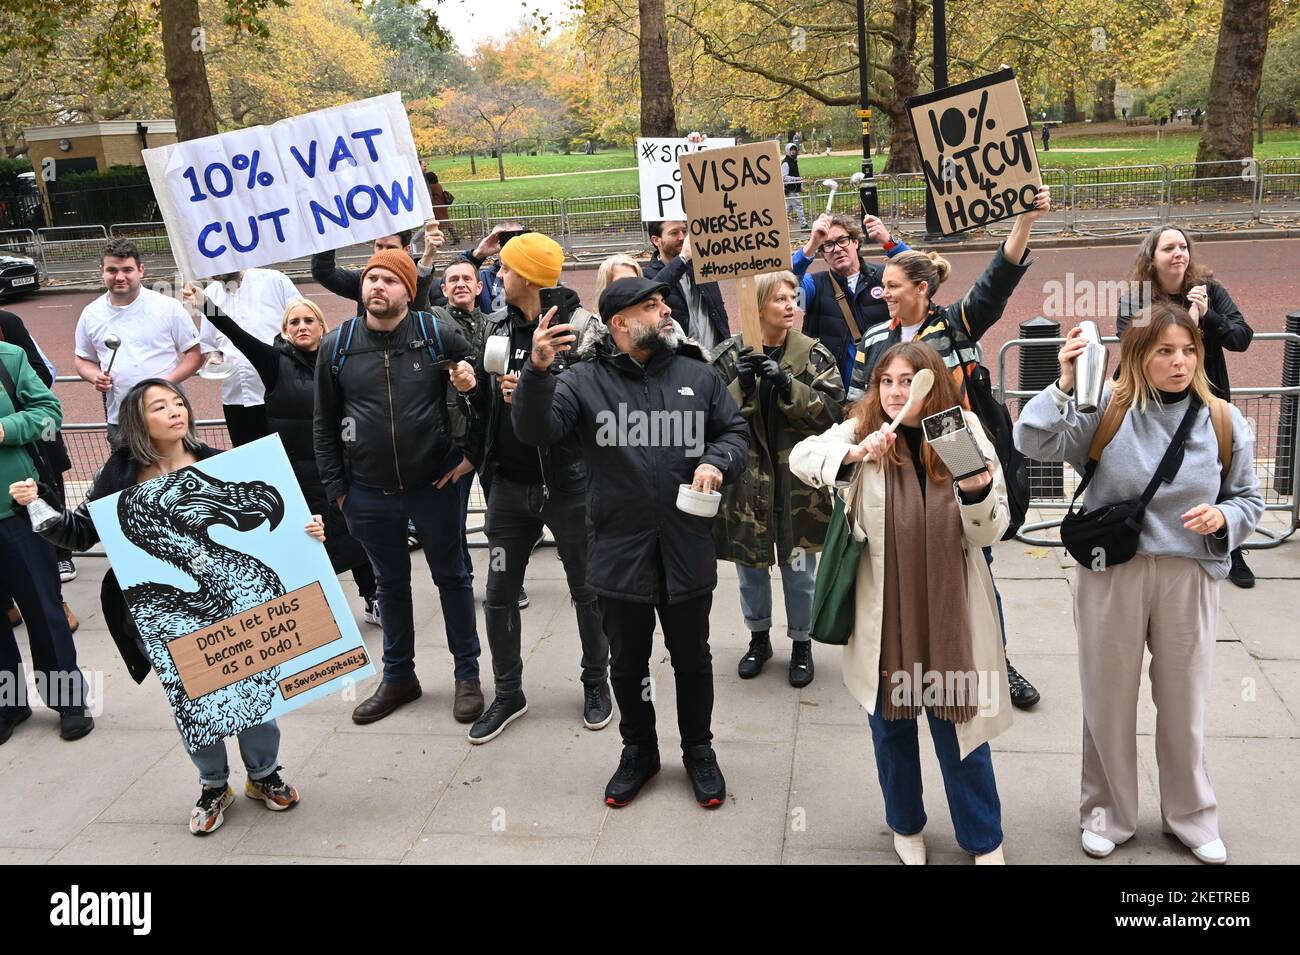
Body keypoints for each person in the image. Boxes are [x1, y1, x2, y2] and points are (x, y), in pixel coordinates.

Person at [1014, 304, 1263, 865]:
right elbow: (1030, 440)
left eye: (1188, 351)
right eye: (1164, 351)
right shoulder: (1106, 407)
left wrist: (1225, 520)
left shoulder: (1222, 418)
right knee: (1107, 699)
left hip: (1188, 575)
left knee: (1183, 704)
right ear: (1137, 357)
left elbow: (1250, 498)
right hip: (1112, 571)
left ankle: (1192, 817)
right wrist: (1061, 382)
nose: (1179, 363)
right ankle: (1106, 813)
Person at [12, 379, 312, 833]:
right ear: (138, 421)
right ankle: (213, 784)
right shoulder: (121, 473)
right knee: (195, 698)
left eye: (179, 403)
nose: (176, 411)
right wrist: (37, 507)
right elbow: (79, 533)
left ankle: (264, 773)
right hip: (162, 617)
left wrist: (308, 531)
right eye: (160, 407)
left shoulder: (213, 462)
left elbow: (274, 526)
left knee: (254, 685)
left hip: (234, 611)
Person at [512, 276, 749, 809]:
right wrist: (536, 372)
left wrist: (717, 460)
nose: (665, 311)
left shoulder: (697, 372)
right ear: (620, 323)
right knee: (628, 663)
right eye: (651, 305)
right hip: (618, 550)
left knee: (693, 659)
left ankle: (699, 751)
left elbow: (735, 434)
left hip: (686, 545)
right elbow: (535, 432)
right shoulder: (582, 380)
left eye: (663, 302)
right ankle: (638, 750)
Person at [790, 342, 1014, 865]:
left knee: (959, 726)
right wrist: (855, 452)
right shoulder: (863, 427)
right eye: (886, 381)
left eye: (907, 380)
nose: (895, 392)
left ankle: (984, 837)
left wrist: (977, 489)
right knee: (891, 728)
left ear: (931, 384)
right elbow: (803, 458)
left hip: (949, 606)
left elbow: (991, 531)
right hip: (884, 609)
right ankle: (905, 824)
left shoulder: (960, 433)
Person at [858, 186, 1052, 710]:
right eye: (883, 287)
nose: (885, 293)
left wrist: (1025, 221)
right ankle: (911, 661)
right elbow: (857, 406)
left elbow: (999, 278)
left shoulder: (958, 322)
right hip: (897, 468)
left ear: (920, 289)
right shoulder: (874, 340)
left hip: (956, 460)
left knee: (979, 569)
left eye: (893, 286)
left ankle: (998, 662)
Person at [313, 248, 484, 726]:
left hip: (434, 484)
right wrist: (340, 493)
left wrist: (472, 454)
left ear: (409, 291)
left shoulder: (436, 333)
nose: (377, 287)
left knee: (452, 578)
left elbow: (486, 396)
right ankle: (398, 677)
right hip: (367, 491)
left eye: (390, 280)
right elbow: (324, 424)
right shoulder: (338, 343)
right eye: (372, 279)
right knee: (390, 585)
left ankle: (466, 676)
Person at [461, 232, 612, 743]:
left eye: (503, 270)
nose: (496, 277)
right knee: (498, 593)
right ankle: (508, 693)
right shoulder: (494, 325)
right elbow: (483, 410)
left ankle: (597, 682)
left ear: (525, 275)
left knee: (587, 590)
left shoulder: (582, 329)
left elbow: (597, 408)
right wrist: (474, 391)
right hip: (508, 486)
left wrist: (538, 381)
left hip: (568, 487)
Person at [183, 289, 381, 627]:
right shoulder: (274, 362)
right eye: (294, 322)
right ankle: (321, 612)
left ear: (322, 326)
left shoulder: (338, 362)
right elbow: (237, 335)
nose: (301, 326)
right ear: (286, 330)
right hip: (298, 474)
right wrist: (206, 306)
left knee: (357, 535)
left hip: (341, 468)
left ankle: (373, 600)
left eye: (308, 320)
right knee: (311, 542)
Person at [711, 271, 844, 686]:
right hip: (746, 484)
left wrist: (789, 385)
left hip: (797, 484)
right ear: (757, 306)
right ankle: (759, 637)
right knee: (750, 568)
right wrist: (742, 386)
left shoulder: (813, 355)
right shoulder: (729, 355)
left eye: (794, 299)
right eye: (781, 299)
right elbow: (708, 417)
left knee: (800, 568)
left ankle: (802, 643)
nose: (791, 307)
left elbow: (834, 413)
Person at [1116, 223, 1256, 587]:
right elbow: (1130, 340)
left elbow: (1242, 338)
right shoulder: (1139, 297)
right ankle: (1139, 534)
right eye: (1168, 248)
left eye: (1183, 246)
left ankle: (1229, 548)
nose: (1178, 253)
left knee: (1219, 470)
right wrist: (1182, 329)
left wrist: (1207, 316)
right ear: (1153, 258)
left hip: (1205, 396)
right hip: (1152, 402)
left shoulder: (1209, 291)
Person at [1, 340, 92, 745]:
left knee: (42, 607)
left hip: (17, 510)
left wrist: (7, 429)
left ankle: (68, 702)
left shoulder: (9, 358)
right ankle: (9, 705)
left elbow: (49, 416)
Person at [74, 239, 202, 448]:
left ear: (141, 270)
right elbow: (82, 359)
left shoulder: (168, 306)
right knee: (131, 479)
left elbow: (195, 354)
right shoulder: (91, 313)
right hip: (122, 419)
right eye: (112, 270)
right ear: (102, 271)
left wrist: (163, 384)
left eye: (127, 270)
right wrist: (94, 376)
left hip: (169, 415)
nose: (120, 277)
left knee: (179, 474)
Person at [0, 310, 79, 604]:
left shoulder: (8, 327)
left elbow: (44, 376)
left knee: (49, 490)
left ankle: (61, 557)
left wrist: (9, 424)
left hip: (32, 446)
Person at [792, 213, 912, 390]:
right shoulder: (814, 286)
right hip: (835, 394)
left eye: (843, 240)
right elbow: (786, 286)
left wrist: (888, 241)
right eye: (828, 245)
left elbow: (922, 273)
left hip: (887, 387)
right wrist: (812, 244)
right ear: (823, 254)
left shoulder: (884, 277)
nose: (837, 248)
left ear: (855, 242)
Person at [196, 267, 298, 447]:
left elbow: (303, 322)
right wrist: (214, 358)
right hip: (237, 398)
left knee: (290, 460)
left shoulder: (274, 281)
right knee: (250, 465)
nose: (213, 270)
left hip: (282, 396)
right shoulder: (209, 294)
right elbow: (210, 344)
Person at [311, 225, 446, 317]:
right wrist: (327, 236)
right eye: (379, 246)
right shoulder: (362, 280)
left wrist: (427, 258)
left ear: (406, 250)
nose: (383, 253)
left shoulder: (429, 286)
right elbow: (323, 273)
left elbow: (420, 309)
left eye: (391, 247)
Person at [642, 221, 730, 350]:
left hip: (718, 355)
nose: (682, 237)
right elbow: (653, 292)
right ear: (656, 240)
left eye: (684, 231)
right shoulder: (647, 276)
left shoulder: (702, 266)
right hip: (683, 359)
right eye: (674, 233)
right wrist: (682, 258)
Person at [781, 143, 809, 230]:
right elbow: (784, 177)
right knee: (799, 206)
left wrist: (800, 185)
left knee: (788, 207)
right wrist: (797, 179)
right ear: (788, 151)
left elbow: (795, 174)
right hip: (791, 189)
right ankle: (803, 225)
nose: (793, 151)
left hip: (794, 188)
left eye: (794, 149)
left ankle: (778, 222)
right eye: (791, 150)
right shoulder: (786, 163)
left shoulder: (794, 161)